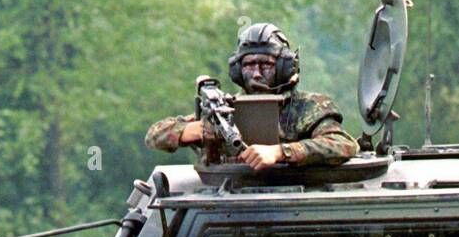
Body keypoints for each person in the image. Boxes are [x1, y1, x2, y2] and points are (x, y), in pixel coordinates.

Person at [145, 23, 359, 170]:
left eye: (266, 64)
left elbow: (343, 144)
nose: (256, 73)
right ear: (238, 70)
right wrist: (191, 131)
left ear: (285, 67)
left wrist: (280, 152)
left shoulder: (308, 107)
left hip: (291, 202)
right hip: (228, 207)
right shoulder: (226, 110)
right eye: (248, 65)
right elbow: (154, 135)